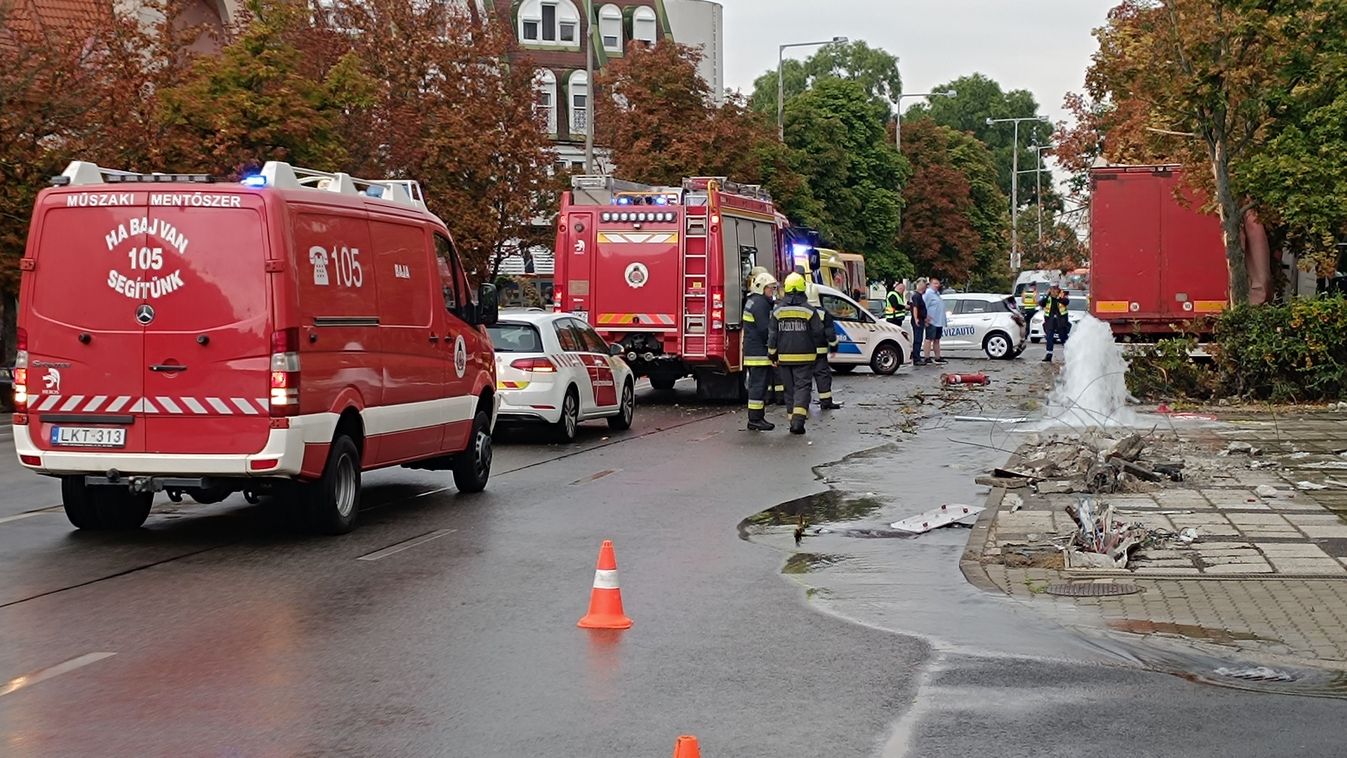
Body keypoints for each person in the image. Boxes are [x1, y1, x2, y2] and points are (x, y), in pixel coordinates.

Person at [768, 272, 826, 435]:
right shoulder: (809, 310)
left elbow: (772, 335)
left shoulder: (778, 311)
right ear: (802, 289)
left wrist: (772, 354)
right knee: (802, 388)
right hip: (806, 357)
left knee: (789, 389)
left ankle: (792, 419)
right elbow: (818, 332)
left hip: (784, 358)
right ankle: (798, 422)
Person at [742, 272, 778, 431]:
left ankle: (757, 418)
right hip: (758, 353)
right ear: (762, 288)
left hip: (753, 351)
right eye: (771, 289)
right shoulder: (761, 304)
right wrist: (773, 347)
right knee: (758, 386)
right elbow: (765, 329)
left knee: (758, 385)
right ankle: (755, 419)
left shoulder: (752, 301)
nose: (773, 292)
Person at [812, 291, 842, 410]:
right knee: (823, 377)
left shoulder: (799, 311)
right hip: (820, 352)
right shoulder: (823, 313)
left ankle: (802, 403)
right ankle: (826, 402)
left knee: (802, 380)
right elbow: (830, 333)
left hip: (801, 351)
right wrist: (834, 348)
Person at [1039, 285, 1071, 362]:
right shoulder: (1048, 296)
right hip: (1050, 320)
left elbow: (1066, 302)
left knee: (1063, 337)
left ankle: (1069, 354)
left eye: (1055, 289)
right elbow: (1041, 303)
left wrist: (1058, 297)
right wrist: (1047, 296)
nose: (1053, 291)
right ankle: (1049, 355)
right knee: (1049, 337)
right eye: (1052, 289)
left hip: (1061, 320)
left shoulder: (1061, 294)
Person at [923, 277, 947, 364]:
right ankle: (926, 357)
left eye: (938, 283)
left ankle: (937, 357)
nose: (937, 285)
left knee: (937, 339)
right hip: (931, 321)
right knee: (929, 339)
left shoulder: (937, 294)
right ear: (930, 284)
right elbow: (924, 306)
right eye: (935, 283)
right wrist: (925, 318)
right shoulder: (928, 294)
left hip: (939, 321)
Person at [909, 278, 928, 366]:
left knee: (919, 339)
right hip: (918, 320)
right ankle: (916, 358)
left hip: (920, 319)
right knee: (917, 339)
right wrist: (916, 318)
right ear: (920, 285)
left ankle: (917, 356)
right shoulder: (916, 296)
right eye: (924, 285)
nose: (925, 287)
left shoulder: (918, 295)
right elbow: (915, 308)